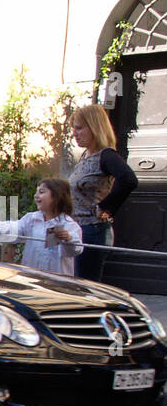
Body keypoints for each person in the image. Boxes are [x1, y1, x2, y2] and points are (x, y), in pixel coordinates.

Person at [69, 104, 137, 282]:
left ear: (94, 127)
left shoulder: (106, 156)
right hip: (77, 229)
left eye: (79, 128)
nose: (75, 133)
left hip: (92, 229)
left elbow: (128, 179)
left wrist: (106, 206)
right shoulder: (85, 156)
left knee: (87, 286)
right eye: (73, 128)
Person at [0, 179, 83, 276]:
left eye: (41, 192)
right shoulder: (31, 219)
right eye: (36, 192)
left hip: (55, 282)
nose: (36, 196)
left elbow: (75, 250)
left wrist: (68, 239)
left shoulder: (69, 225)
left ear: (57, 196)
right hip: (31, 277)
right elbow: (14, 228)